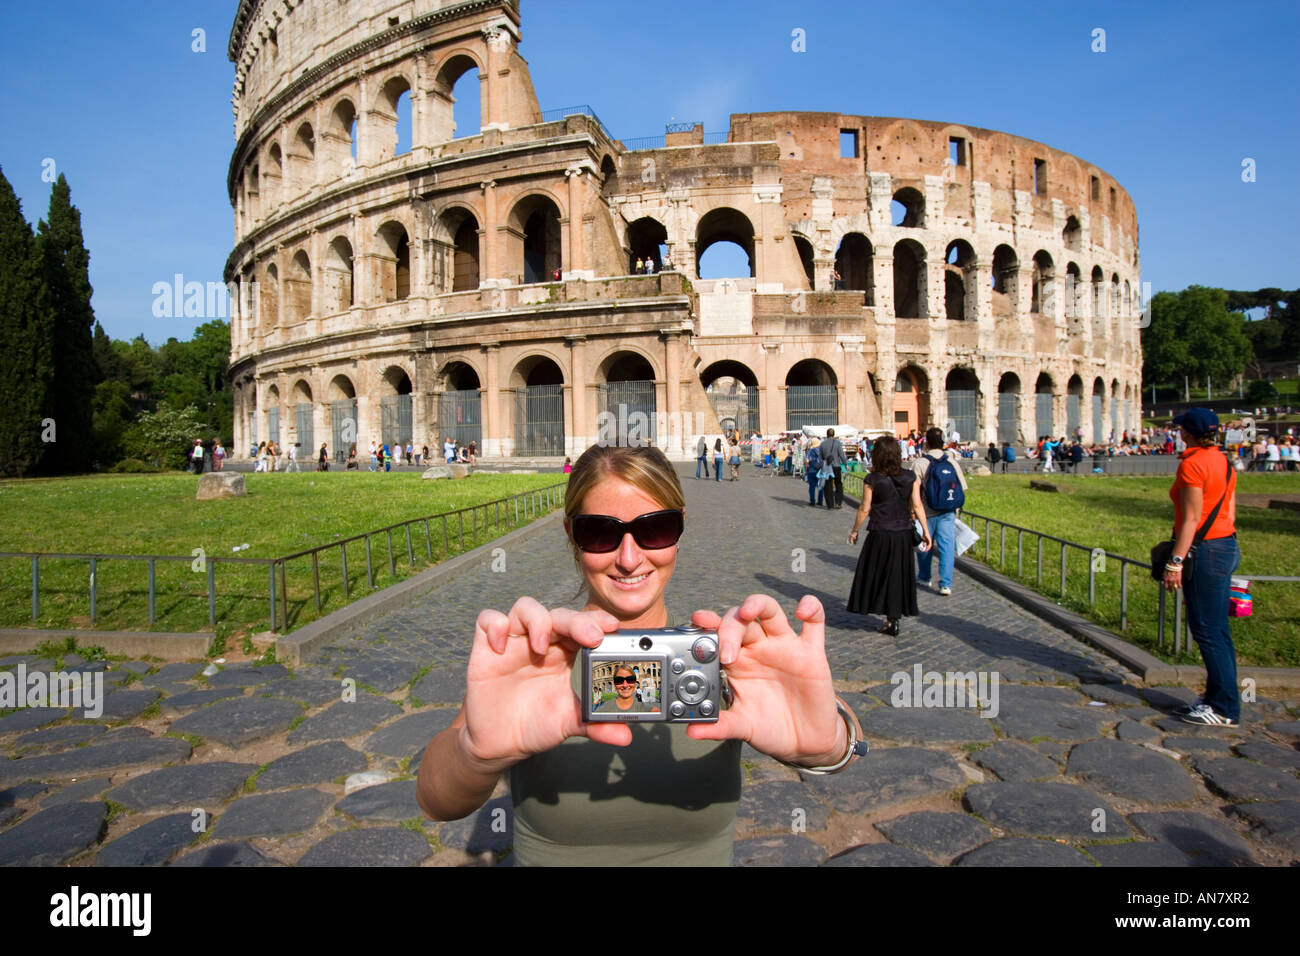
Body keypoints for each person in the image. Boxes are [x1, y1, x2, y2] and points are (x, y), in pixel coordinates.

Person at [413, 442, 860, 866]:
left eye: (654, 529)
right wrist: (478, 757)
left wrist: (828, 745)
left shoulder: (721, 658)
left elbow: (839, 739)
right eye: (600, 532)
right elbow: (436, 801)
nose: (629, 558)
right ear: (572, 534)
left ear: (680, 527)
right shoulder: (537, 659)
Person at [1163, 409, 1240, 727]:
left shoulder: (1193, 463)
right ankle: (1216, 699)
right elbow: (1230, 508)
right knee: (1218, 630)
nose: (1178, 432)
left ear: (1186, 433)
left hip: (1204, 550)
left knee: (1207, 632)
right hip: (1225, 544)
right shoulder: (1222, 460)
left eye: (1180, 428)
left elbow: (1192, 519)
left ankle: (1224, 709)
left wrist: (1175, 562)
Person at [847, 435, 932, 636]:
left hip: (880, 533)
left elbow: (864, 509)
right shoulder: (910, 477)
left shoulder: (872, 479)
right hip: (902, 533)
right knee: (898, 575)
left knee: (876, 573)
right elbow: (918, 505)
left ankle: (881, 610)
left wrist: (855, 530)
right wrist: (926, 531)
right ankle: (893, 618)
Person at [910, 427, 968, 597]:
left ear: (926, 442)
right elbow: (962, 488)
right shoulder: (951, 462)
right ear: (943, 442)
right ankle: (946, 584)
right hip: (947, 512)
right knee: (947, 547)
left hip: (925, 512)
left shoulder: (919, 463)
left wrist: (912, 511)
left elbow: (913, 492)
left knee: (924, 545)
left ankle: (924, 576)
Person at [592, 663, 659, 714]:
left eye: (630, 679)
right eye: (619, 680)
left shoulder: (650, 710)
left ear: (635, 682)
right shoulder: (602, 711)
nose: (625, 685)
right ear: (614, 683)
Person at [818, 428, 847, 509]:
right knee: (838, 484)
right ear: (834, 434)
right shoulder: (837, 443)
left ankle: (830, 504)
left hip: (827, 467)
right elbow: (841, 455)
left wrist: (821, 465)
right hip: (836, 466)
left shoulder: (822, 444)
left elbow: (820, 457)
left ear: (827, 434)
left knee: (828, 486)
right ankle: (838, 502)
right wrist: (845, 464)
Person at [805, 441, 825, 506]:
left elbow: (807, 461)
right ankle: (820, 501)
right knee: (820, 486)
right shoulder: (821, 451)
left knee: (812, 486)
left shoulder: (809, 451)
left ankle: (812, 501)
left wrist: (806, 471)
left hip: (811, 470)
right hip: (820, 470)